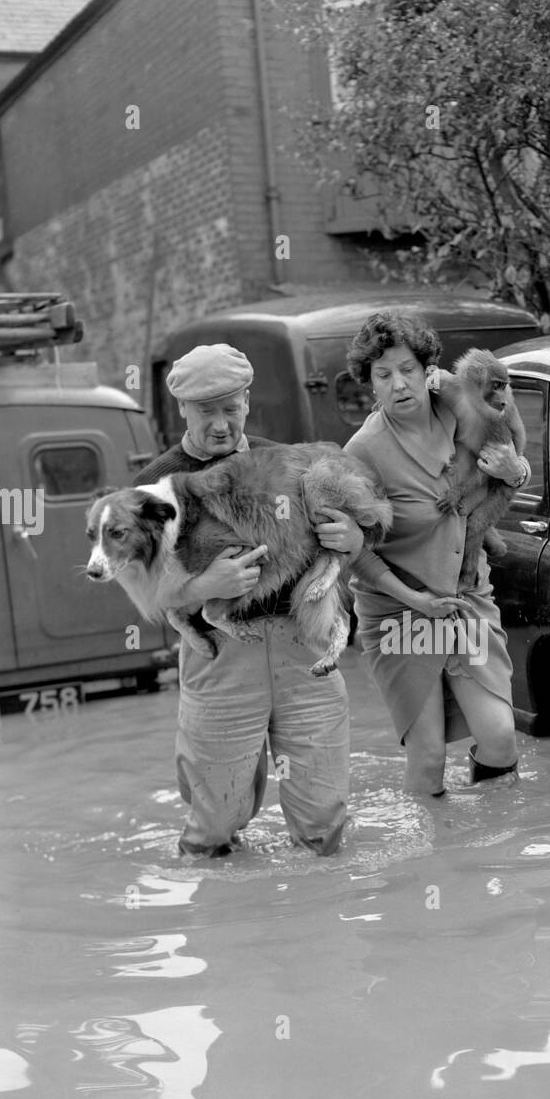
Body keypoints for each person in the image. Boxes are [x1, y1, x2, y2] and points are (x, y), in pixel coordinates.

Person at [134, 343, 364, 858]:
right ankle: (221, 927)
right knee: (214, 824)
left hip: (304, 649)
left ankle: (318, 928)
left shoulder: (283, 461)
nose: (221, 424)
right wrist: (204, 587)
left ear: (247, 401)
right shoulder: (154, 486)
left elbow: (336, 547)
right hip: (219, 656)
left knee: (324, 827)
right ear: (182, 410)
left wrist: (354, 541)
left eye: (231, 408)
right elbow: (141, 590)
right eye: (207, 411)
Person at [343, 310, 531, 796]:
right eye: (383, 375)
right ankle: (438, 864)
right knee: (427, 758)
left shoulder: (459, 402)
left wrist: (517, 471)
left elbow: (510, 453)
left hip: (465, 598)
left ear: (426, 368)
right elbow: (353, 553)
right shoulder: (363, 451)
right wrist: (414, 600)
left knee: (500, 737)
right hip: (398, 612)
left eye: (407, 369)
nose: (399, 384)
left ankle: (493, 850)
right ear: (370, 383)